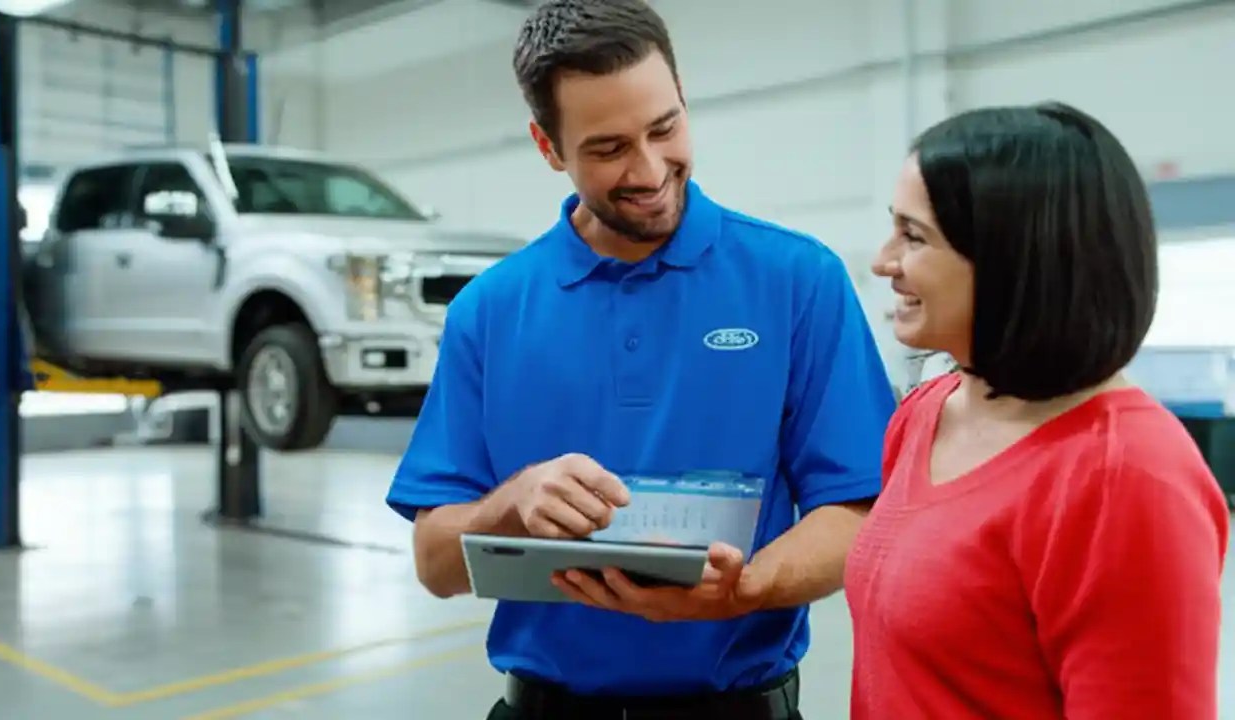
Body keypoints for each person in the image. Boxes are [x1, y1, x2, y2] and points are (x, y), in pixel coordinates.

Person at [384, 1, 897, 717]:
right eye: (608, 148)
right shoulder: (490, 311)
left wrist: (742, 589)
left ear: (684, 100)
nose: (651, 170)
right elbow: (437, 564)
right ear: (548, 145)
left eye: (666, 128)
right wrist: (514, 503)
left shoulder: (796, 282)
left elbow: (858, 512)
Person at [848, 101, 1231, 719]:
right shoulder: (927, 413)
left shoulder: (1124, 479)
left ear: (1012, 259)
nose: (882, 261)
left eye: (913, 236)